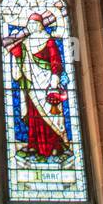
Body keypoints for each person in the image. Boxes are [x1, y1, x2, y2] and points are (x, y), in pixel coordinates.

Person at [6, 12, 71, 159]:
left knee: (51, 114)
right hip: (31, 83)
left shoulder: (48, 41)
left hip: (47, 83)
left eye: (35, 24)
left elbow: (56, 61)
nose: (32, 26)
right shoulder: (26, 43)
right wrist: (12, 45)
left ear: (41, 25)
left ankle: (56, 145)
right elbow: (18, 56)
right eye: (30, 24)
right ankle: (34, 145)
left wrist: (54, 79)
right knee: (34, 114)